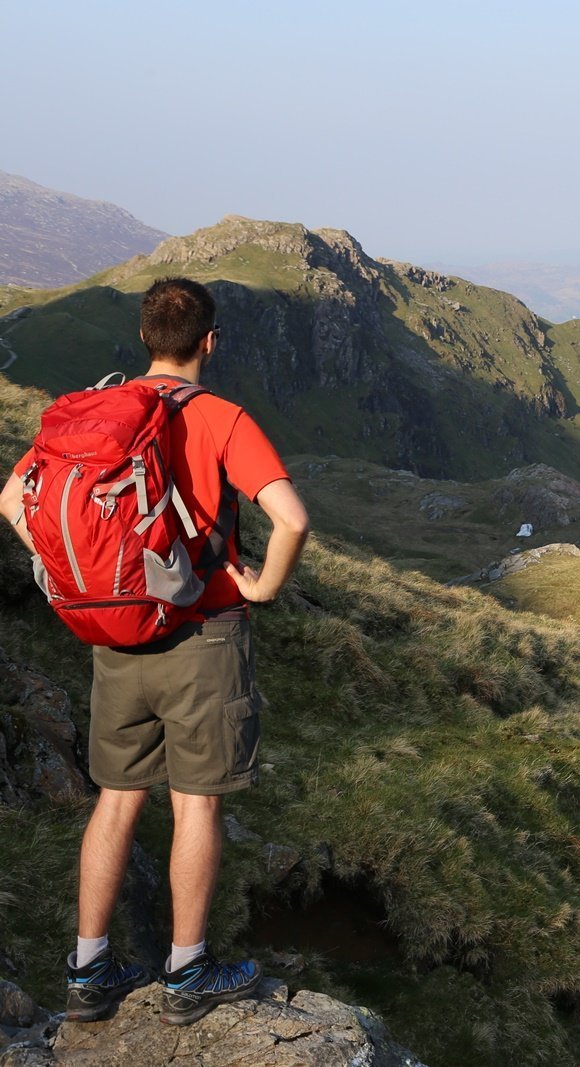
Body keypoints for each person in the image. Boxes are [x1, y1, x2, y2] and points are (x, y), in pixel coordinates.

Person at [0, 277, 310, 1025]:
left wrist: (69, 581)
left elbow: (13, 501)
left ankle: (88, 969)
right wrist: (264, 586)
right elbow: (292, 518)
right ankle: (187, 970)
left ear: (145, 338)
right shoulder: (220, 418)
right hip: (201, 636)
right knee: (195, 801)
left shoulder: (94, 412)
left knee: (117, 798)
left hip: (114, 634)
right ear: (209, 340)